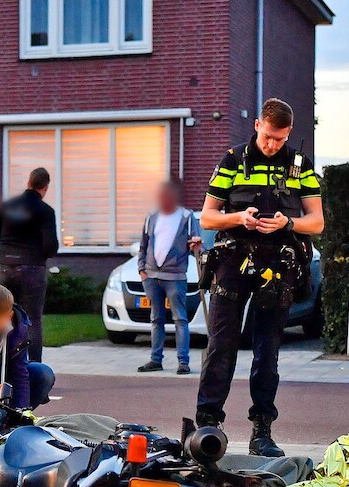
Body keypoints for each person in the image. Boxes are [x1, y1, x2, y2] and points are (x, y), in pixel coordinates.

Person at [196, 98, 324, 457]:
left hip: (278, 265)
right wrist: (239, 218)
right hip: (233, 260)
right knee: (221, 346)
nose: (272, 145)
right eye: (268, 136)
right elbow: (207, 217)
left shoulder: (300, 166)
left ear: (289, 133)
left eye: (280, 139)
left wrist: (288, 223)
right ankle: (207, 426)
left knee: (267, 352)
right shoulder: (233, 160)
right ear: (257, 125)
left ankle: (262, 433)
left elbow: (317, 222)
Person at [0, 167, 59, 362]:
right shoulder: (45, 211)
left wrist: (8, 248)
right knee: (32, 320)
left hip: (3, 267)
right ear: (45, 187)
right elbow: (50, 247)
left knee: (0, 317)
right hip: (32, 269)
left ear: (28, 182)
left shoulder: (7, 206)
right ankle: (34, 369)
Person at [136, 179, 202, 375]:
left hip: (175, 276)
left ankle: (183, 362)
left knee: (180, 319)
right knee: (156, 318)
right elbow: (143, 244)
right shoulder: (152, 216)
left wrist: (196, 245)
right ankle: (155, 359)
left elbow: (197, 245)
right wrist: (142, 270)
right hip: (151, 276)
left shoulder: (187, 217)